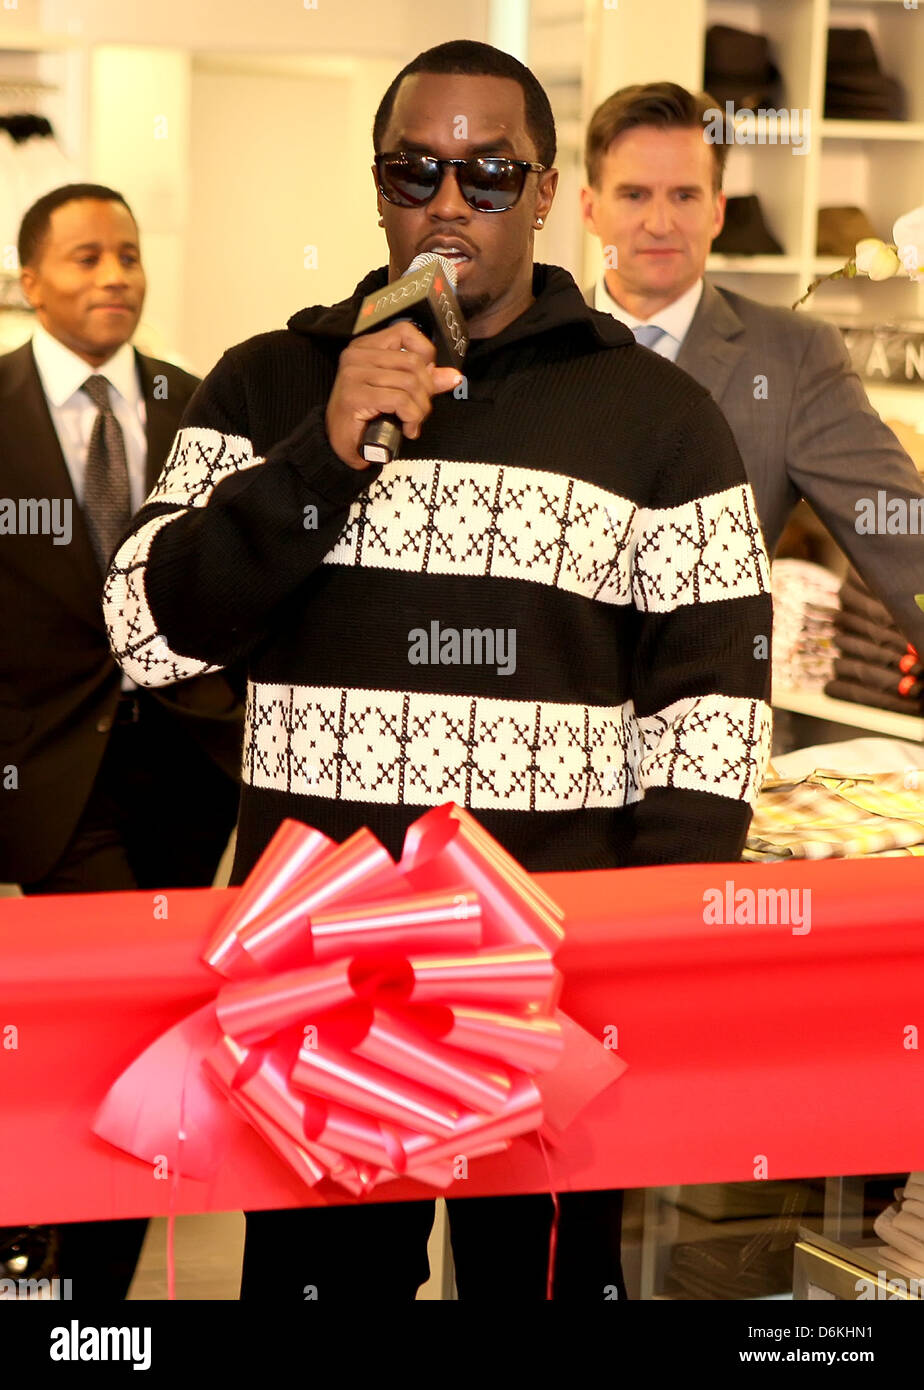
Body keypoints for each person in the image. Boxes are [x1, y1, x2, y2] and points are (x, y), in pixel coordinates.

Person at [103, 42, 773, 1301]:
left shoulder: (658, 416)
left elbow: (711, 720)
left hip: (547, 986)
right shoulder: (268, 382)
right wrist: (319, 455)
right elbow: (146, 628)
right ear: (377, 189)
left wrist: (626, 968)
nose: (448, 202)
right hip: (320, 976)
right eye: (416, 171)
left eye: (487, 172)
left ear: (541, 188)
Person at [0, 184, 244, 1298]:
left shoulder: (193, 404)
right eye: (87, 257)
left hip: (186, 771)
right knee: (94, 1029)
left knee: (156, 1033)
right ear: (29, 279)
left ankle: (86, 1280)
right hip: (48, 775)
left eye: (130, 256)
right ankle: (46, 1255)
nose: (115, 276)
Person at [580, 81, 924, 650]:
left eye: (685, 196)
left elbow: (902, 537)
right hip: (536, 716)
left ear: (717, 210)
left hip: (705, 715)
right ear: (590, 207)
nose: (661, 223)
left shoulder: (792, 358)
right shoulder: (531, 344)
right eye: (635, 195)